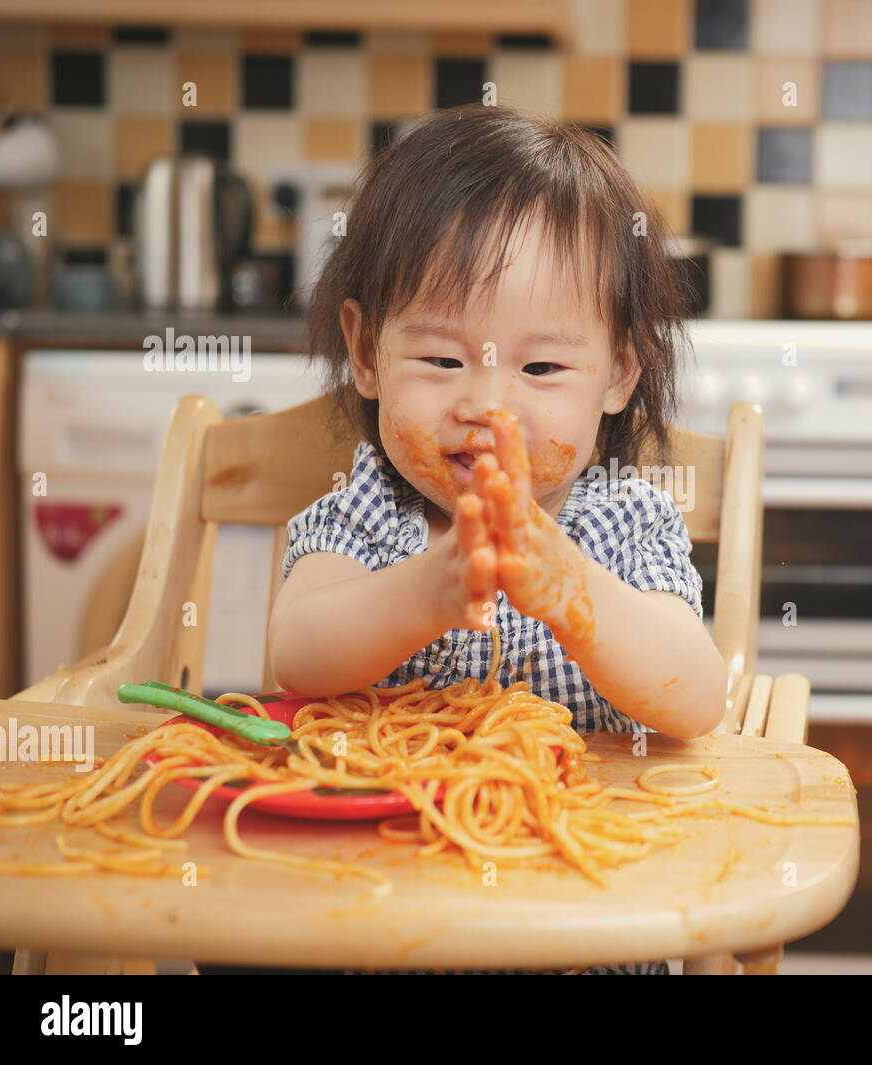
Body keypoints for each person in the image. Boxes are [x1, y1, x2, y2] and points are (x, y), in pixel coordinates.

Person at [205, 105, 727, 976]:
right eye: (443, 361)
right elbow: (299, 652)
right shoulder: (363, 513)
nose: (488, 404)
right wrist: (435, 585)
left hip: (586, 912)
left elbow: (697, 695)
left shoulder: (624, 518)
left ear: (619, 373)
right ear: (366, 353)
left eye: (542, 368)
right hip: (375, 913)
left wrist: (567, 585)